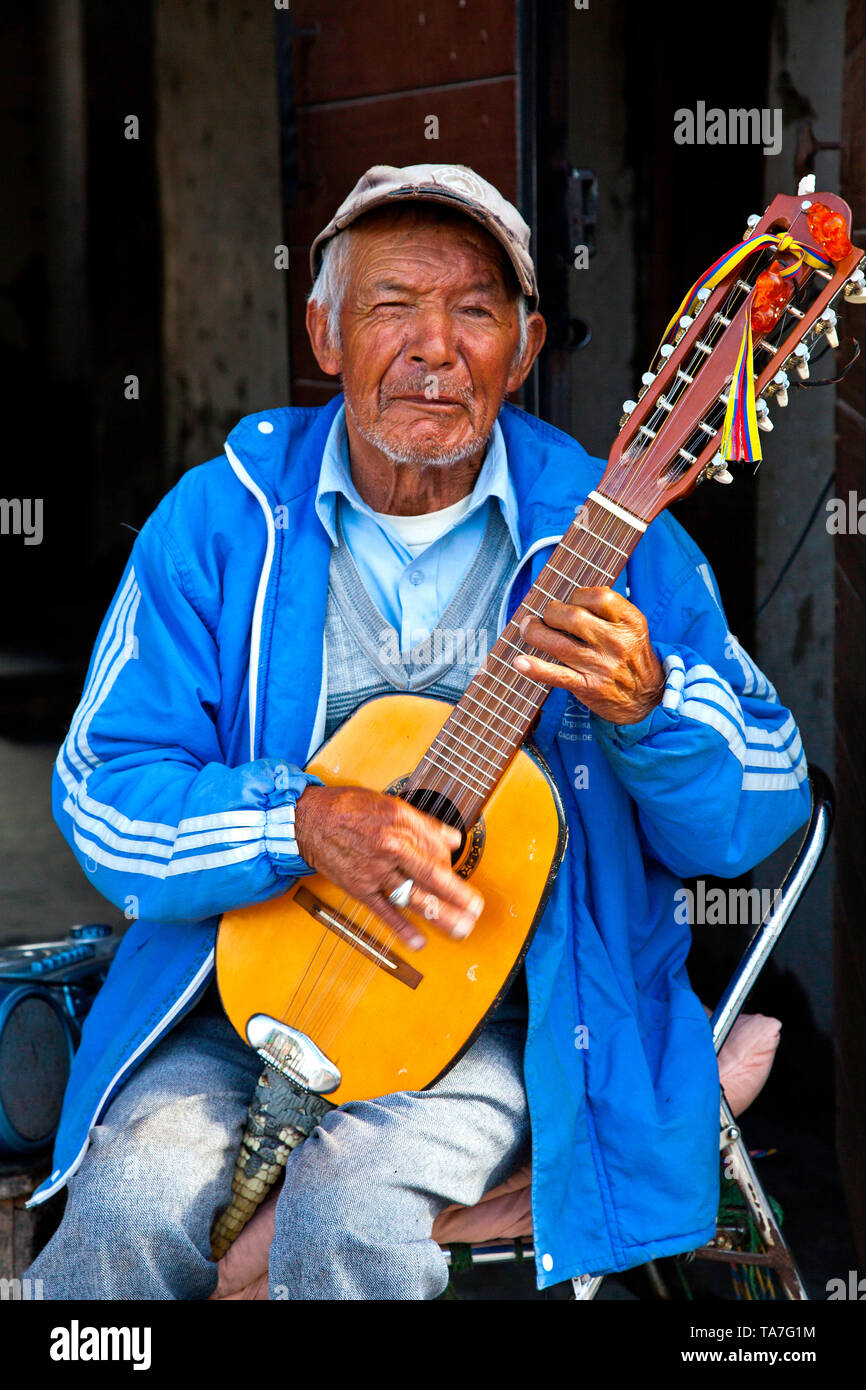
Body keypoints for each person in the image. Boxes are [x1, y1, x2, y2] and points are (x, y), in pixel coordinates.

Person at [26, 163, 810, 1299]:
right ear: (325, 331)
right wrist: (300, 821)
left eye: (475, 310)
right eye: (393, 305)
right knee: (131, 1199)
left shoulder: (615, 529)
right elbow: (104, 791)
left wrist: (652, 709)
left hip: (509, 1012)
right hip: (228, 987)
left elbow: (758, 801)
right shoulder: (221, 518)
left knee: (351, 1220)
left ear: (526, 347)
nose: (433, 347)